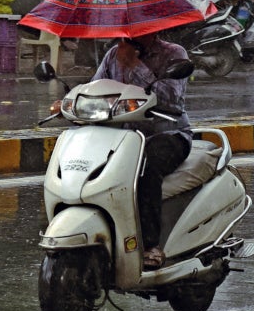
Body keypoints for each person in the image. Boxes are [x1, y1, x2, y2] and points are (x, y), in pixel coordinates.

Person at [61, 33, 192, 269]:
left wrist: (135, 66)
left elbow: (172, 99)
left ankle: (150, 245)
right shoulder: (113, 54)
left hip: (165, 134)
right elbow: (96, 87)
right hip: (119, 136)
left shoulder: (174, 54)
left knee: (145, 168)